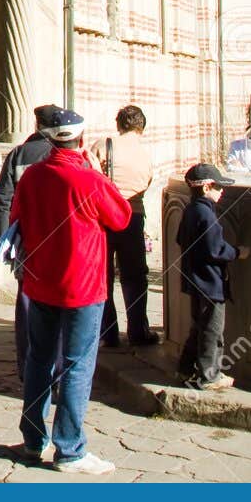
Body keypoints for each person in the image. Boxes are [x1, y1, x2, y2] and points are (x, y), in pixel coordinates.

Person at [10, 108, 130, 474]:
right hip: (82, 286)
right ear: (80, 138)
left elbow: (16, 215)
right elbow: (121, 216)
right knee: (77, 367)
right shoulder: (88, 180)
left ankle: (33, 440)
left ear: (47, 138)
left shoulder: (32, 177)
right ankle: (70, 449)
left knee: (38, 360)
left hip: (41, 282)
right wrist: (95, 170)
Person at [0, 103, 65, 379]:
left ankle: (27, 366)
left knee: (26, 302)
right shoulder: (62, 153)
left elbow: (2, 200)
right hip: (58, 240)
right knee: (57, 303)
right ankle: (55, 369)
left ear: (36, 126)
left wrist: (5, 240)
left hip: (26, 240)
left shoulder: (18, 154)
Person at [176, 164, 246, 392]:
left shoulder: (190, 210)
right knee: (213, 330)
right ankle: (209, 376)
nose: (221, 191)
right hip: (211, 282)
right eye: (217, 187)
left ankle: (185, 368)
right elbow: (216, 249)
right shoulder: (206, 214)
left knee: (198, 326)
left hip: (194, 280)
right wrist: (237, 252)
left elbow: (179, 239)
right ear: (206, 187)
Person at [99, 104, 157, 348]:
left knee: (104, 276)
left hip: (104, 216)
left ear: (119, 124)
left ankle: (108, 333)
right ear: (141, 127)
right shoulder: (145, 153)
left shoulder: (104, 145)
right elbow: (147, 180)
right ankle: (138, 330)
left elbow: (93, 174)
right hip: (132, 216)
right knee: (135, 276)